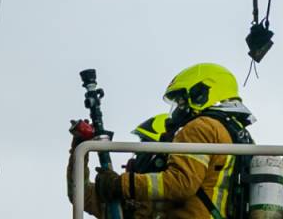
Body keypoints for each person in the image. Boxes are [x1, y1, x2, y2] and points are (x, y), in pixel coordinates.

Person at [87, 62, 260, 219]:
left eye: (181, 101)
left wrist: (121, 184)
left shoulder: (200, 126)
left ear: (201, 94)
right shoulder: (239, 136)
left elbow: (181, 183)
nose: (178, 109)